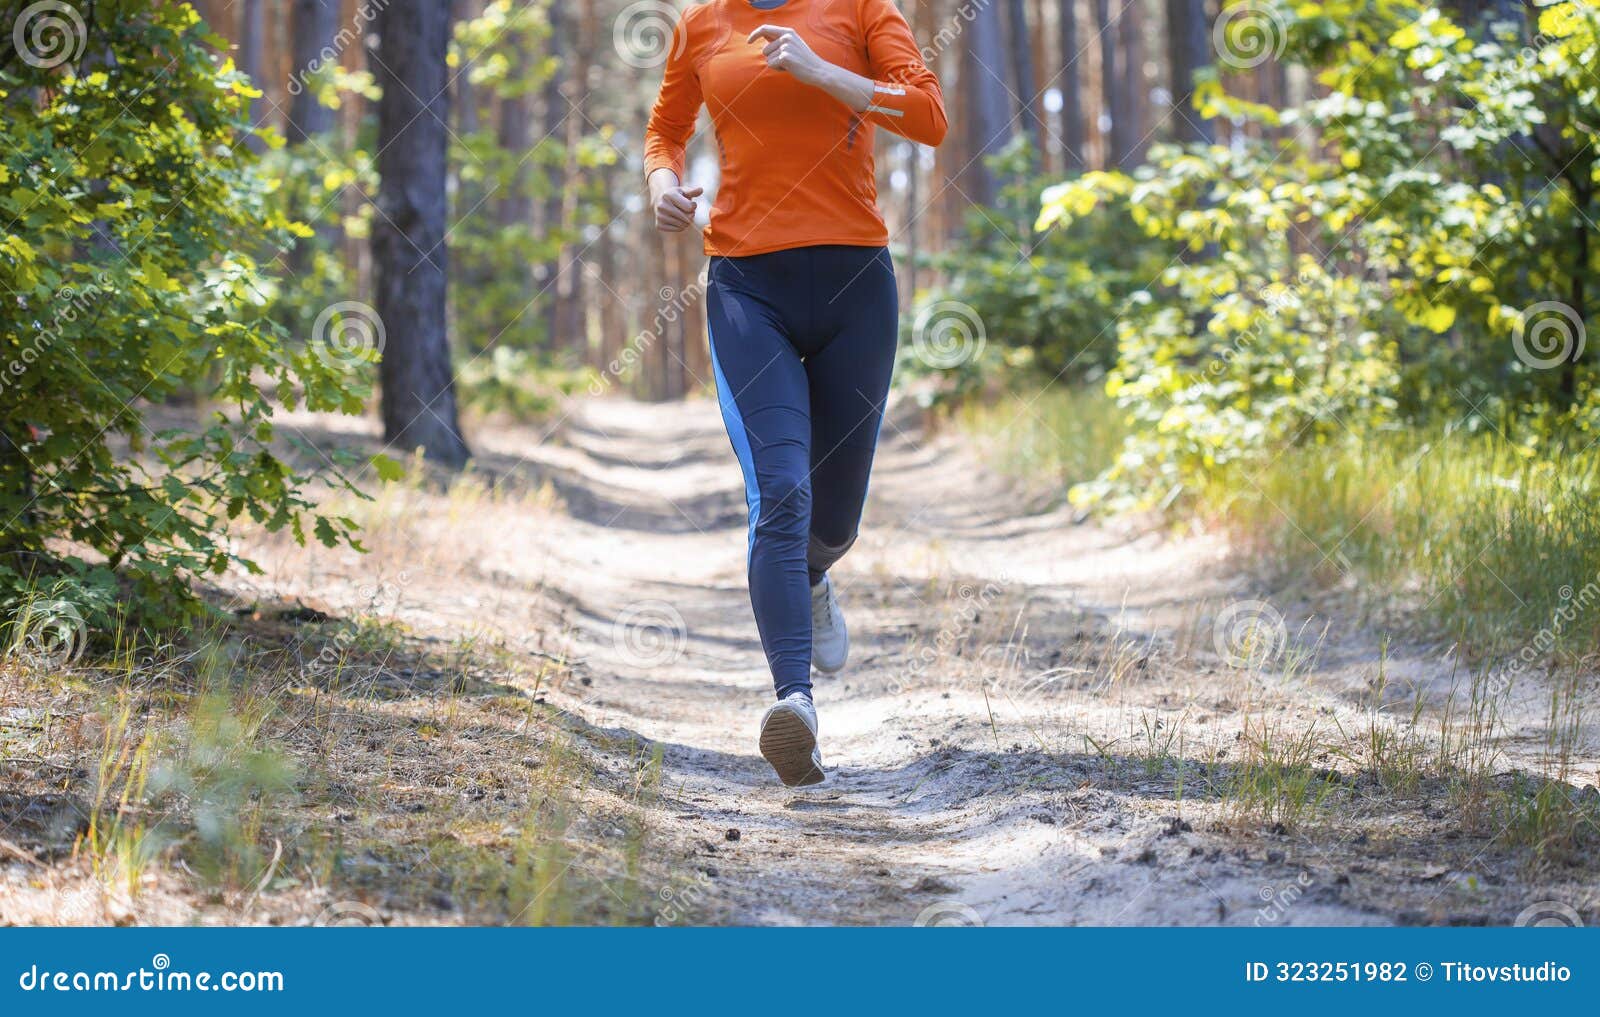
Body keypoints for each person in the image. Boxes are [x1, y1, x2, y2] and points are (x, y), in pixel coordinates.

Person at [644, 0, 946, 787]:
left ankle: (814, 576)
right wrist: (662, 185)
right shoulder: (703, 23)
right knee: (780, 492)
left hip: (856, 287)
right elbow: (665, 128)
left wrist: (821, 72)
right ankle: (795, 704)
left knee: (834, 518)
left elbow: (930, 117)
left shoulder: (864, 10)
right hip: (748, 287)